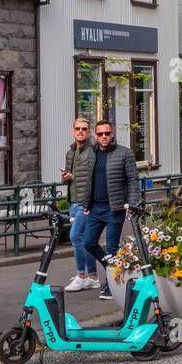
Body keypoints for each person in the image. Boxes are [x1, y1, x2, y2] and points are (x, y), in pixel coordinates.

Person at [82, 120, 141, 301]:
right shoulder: (92, 153)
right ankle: (114, 268)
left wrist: (132, 204)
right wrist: (86, 203)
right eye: (100, 134)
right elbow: (89, 180)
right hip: (95, 208)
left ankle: (111, 286)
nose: (104, 137)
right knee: (88, 243)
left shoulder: (124, 153)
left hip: (114, 208)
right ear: (95, 135)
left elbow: (132, 179)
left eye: (107, 133)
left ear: (112, 134)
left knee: (112, 248)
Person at [61, 117, 100, 292]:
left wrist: (89, 203)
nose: (80, 131)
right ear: (72, 131)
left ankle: (80, 276)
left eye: (84, 129)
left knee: (75, 237)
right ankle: (93, 277)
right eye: (78, 128)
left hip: (85, 203)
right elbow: (70, 178)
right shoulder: (70, 152)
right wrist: (66, 178)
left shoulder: (92, 151)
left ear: (88, 132)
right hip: (73, 200)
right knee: (85, 240)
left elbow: (95, 177)